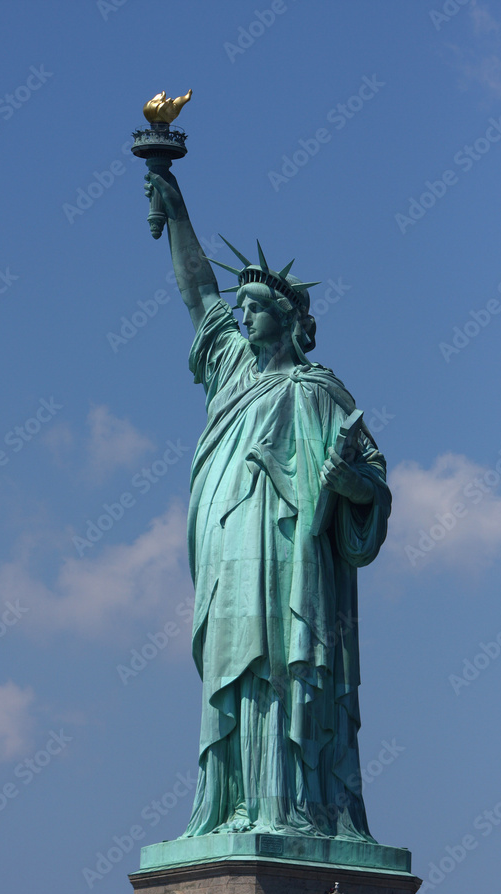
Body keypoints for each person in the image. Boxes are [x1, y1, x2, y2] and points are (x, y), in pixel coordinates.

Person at [144, 169, 391, 838]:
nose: (242, 311)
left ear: (285, 318)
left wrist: (346, 485)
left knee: (287, 663)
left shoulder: (320, 391)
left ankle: (299, 809)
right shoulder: (229, 366)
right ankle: (232, 809)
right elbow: (197, 291)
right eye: (242, 304)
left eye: (255, 305)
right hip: (230, 536)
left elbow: (372, 481)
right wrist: (176, 207)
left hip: (296, 551)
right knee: (237, 662)